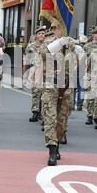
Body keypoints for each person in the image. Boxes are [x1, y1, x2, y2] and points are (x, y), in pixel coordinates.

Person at [39, 20, 77, 166]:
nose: (58, 30)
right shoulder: (49, 44)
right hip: (51, 85)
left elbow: (79, 61)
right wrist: (60, 43)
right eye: (55, 28)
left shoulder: (72, 45)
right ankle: (52, 149)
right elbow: (43, 54)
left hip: (67, 86)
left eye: (60, 27)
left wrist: (71, 47)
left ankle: (57, 142)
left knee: (62, 121)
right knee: (50, 118)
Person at [25, 26, 46, 122]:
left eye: (43, 33)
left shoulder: (48, 45)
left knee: (44, 92)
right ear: (36, 35)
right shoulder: (31, 46)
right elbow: (27, 59)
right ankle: (35, 111)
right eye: (39, 33)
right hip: (34, 70)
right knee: (36, 91)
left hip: (45, 71)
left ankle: (42, 112)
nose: (41, 35)